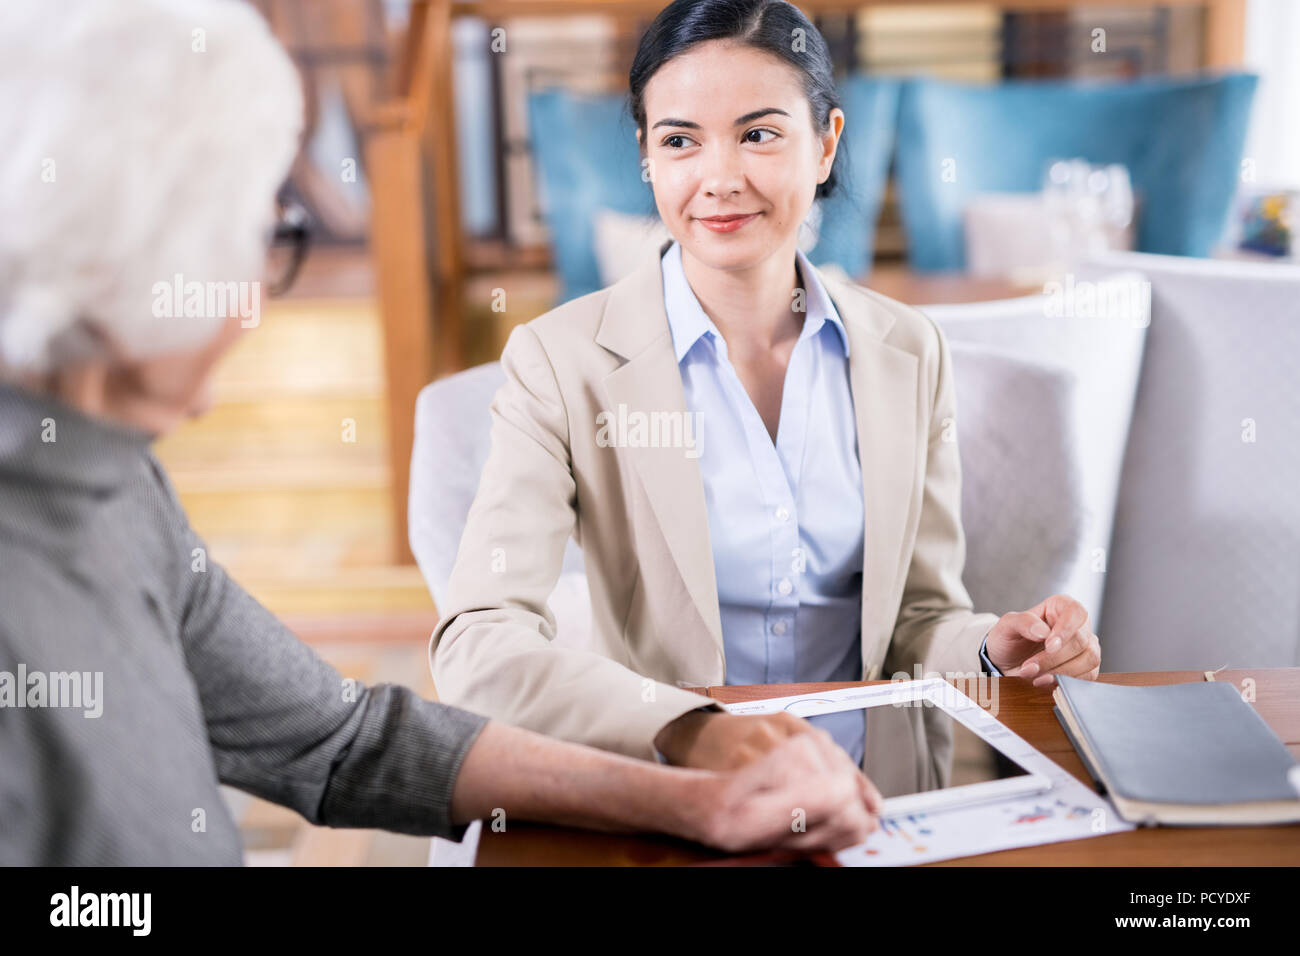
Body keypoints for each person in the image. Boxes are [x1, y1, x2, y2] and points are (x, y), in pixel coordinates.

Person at [0, 0, 881, 865]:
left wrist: (697, 804)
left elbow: (342, 739)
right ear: (134, 266)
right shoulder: (560, 357)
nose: (257, 299)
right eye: (263, 240)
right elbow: (475, 646)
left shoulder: (119, 485)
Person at [429, 0, 1102, 794]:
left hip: (877, 802)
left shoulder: (906, 351)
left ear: (825, 144)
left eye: (759, 134)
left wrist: (995, 650)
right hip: (680, 799)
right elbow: (477, 643)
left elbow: (918, 620)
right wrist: (690, 732)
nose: (720, 179)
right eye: (680, 141)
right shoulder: (560, 361)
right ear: (648, 157)